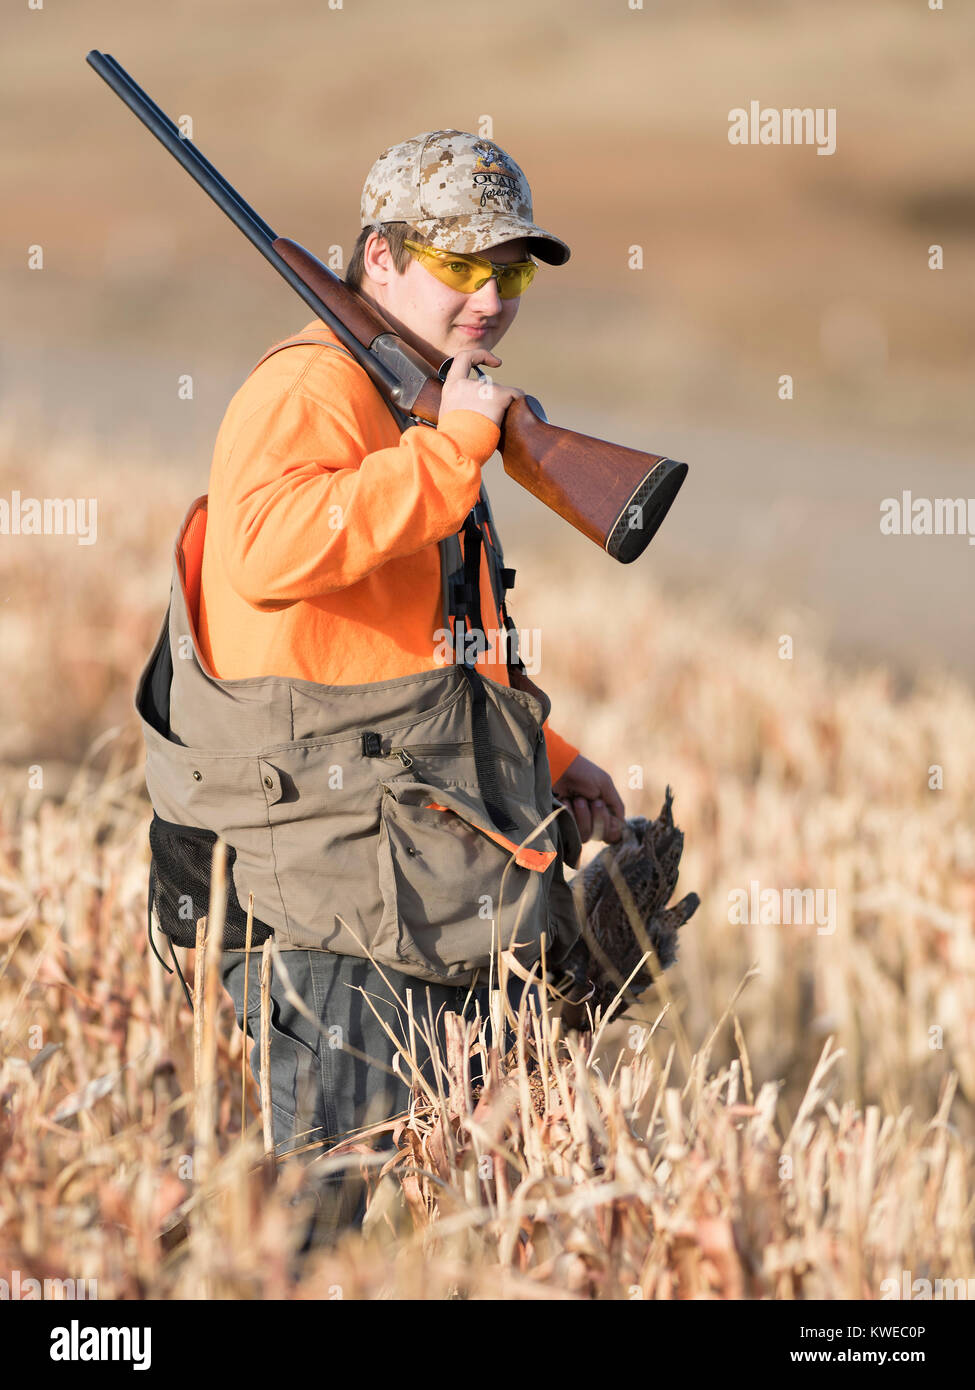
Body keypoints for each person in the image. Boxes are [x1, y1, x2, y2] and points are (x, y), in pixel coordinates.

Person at [192, 129, 626, 1239]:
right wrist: (447, 456)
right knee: (305, 1224)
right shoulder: (313, 388)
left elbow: (440, 642)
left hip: (426, 868)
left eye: (511, 272)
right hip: (341, 897)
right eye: (461, 266)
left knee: (405, 1215)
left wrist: (554, 762)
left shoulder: (427, 400)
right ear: (377, 259)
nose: (490, 297)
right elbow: (266, 551)